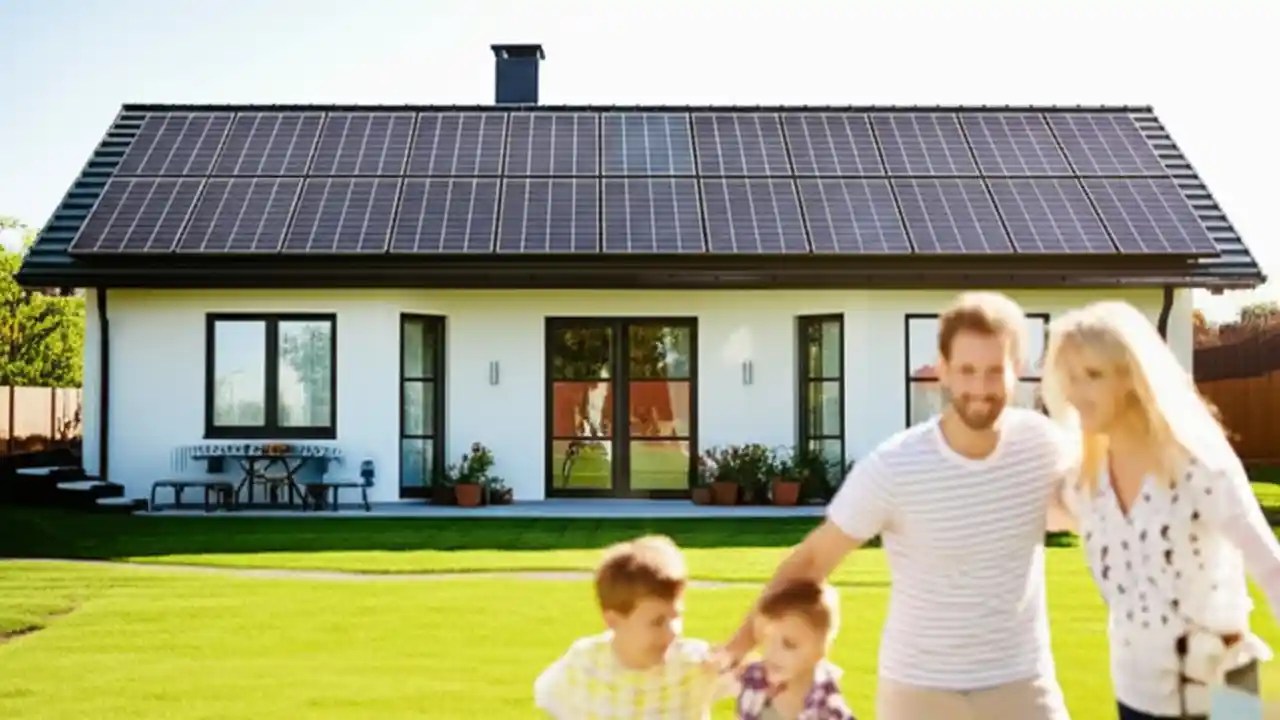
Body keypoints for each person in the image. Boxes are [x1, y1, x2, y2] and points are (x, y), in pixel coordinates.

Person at [718, 291, 1074, 720]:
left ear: (1017, 370)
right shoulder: (896, 465)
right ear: (943, 370)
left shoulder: (1043, 446)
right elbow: (811, 560)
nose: (980, 387)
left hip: (1020, 682)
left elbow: (1098, 503)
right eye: (966, 370)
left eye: (994, 371)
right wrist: (736, 648)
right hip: (919, 688)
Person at [1040, 300, 1280, 719]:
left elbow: (1270, 568)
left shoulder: (1199, 466)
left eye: (1092, 376)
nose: (1076, 393)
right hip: (1137, 695)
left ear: (1132, 379)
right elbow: (1033, 515)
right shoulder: (1086, 480)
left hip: (1224, 691)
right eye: (1070, 378)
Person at [533, 534, 733, 719]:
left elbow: (756, 681)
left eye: (677, 616)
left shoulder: (696, 663)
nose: (673, 631)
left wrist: (732, 661)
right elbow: (546, 694)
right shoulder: (584, 662)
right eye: (657, 622)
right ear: (613, 621)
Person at [734, 579, 857, 719]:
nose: (772, 653)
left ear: (819, 652)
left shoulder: (829, 711)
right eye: (767, 640)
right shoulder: (755, 679)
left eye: (789, 645)